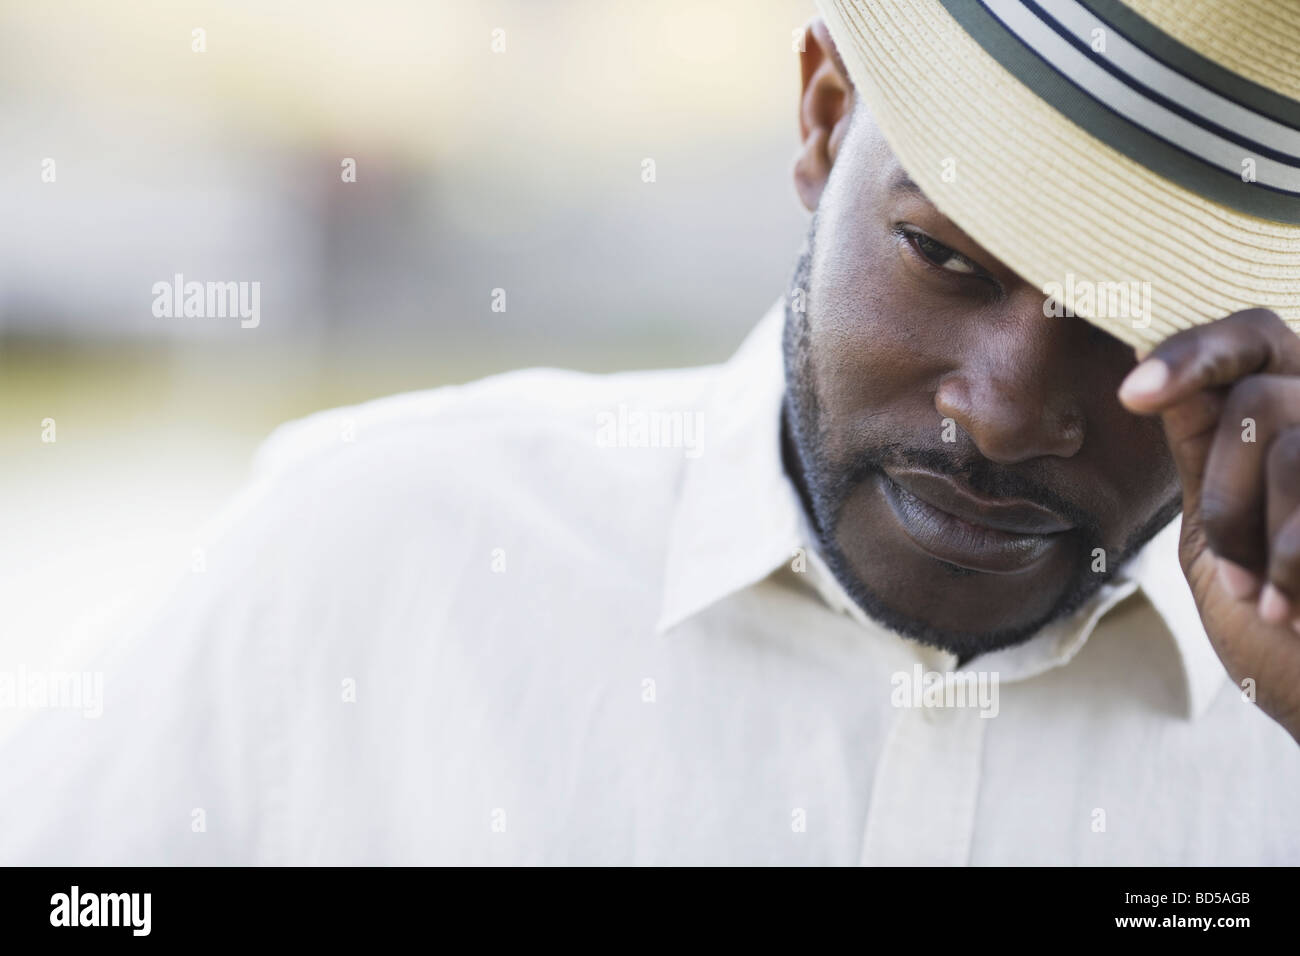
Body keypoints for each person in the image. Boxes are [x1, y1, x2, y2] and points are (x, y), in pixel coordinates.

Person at [2, 0, 1298, 865]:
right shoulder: (368, 552)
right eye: (940, 259)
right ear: (823, 118)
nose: (1005, 413)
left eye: (1141, 327)